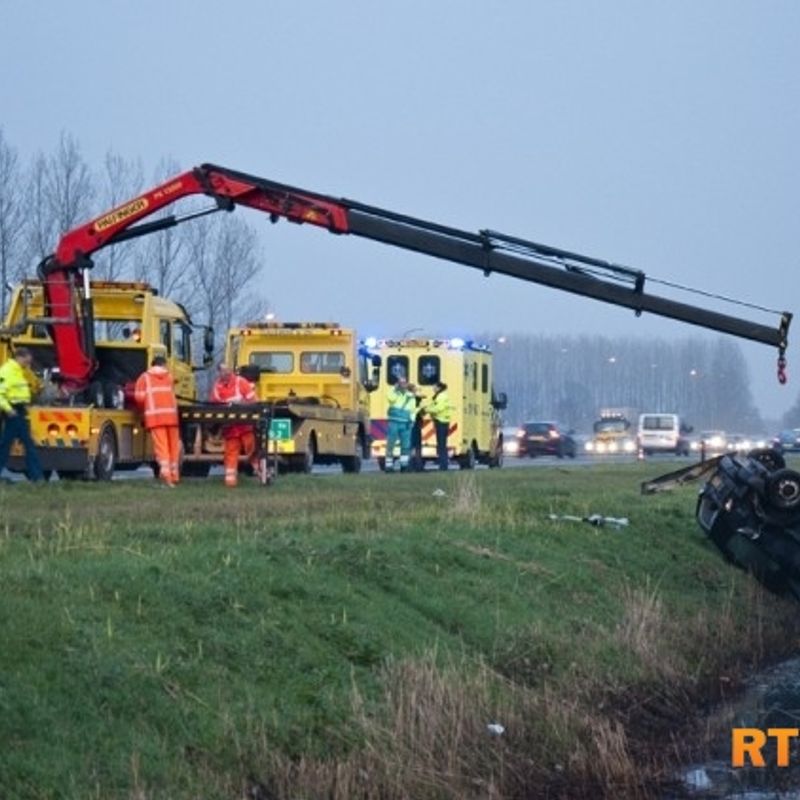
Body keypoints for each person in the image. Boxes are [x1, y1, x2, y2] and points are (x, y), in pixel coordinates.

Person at [134, 355, 180, 487]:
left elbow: (139, 398)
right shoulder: (169, 377)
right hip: (171, 417)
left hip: (155, 418)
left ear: (152, 364)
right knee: (173, 447)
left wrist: (144, 409)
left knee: (162, 448)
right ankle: (174, 475)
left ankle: (166, 477)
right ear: (163, 364)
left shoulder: (145, 377)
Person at [210, 364, 259, 487]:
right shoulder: (217, 386)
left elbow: (253, 401)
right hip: (230, 428)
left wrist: (240, 405)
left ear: (231, 371)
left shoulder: (241, 382)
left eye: (227, 371)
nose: (225, 374)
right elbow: (214, 404)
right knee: (231, 453)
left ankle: (262, 473)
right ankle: (230, 481)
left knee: (252, 449)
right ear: (219, 373)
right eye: (222, 371)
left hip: (244, 425)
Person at [0, 347, 44, 482]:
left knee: (15, 444)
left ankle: (36, 476)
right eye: (26, 361)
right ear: (19, 357)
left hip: (19, 411)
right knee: (12, 444)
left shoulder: (20, 371)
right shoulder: (7, 371)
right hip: (13, 412)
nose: (27, 364)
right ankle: (37, 477)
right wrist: (8, 410)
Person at [385, 375, 417, 472]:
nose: (402, 385)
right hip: (394, 422)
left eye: (404, 383)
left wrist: (412, 421)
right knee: (390, 444)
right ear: (397, 384)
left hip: (405, 423)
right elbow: (390, 398)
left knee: (405, 446)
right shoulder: (394, 393)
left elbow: (413, 410)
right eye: (401, 383)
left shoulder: (410, 396)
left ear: (407, 384)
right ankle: (389, 467)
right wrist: (393, 388)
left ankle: (404, 466)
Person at [426, 381, 453, 471]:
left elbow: (438, 408)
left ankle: (443, 465)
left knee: (442, 444)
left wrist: (427, 410)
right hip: (442, 421)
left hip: (441, 421)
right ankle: (443, 464)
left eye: (434, 386)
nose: (433, 388)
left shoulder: (441, 396)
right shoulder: (440, 396)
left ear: (439, 388)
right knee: (441, 444)